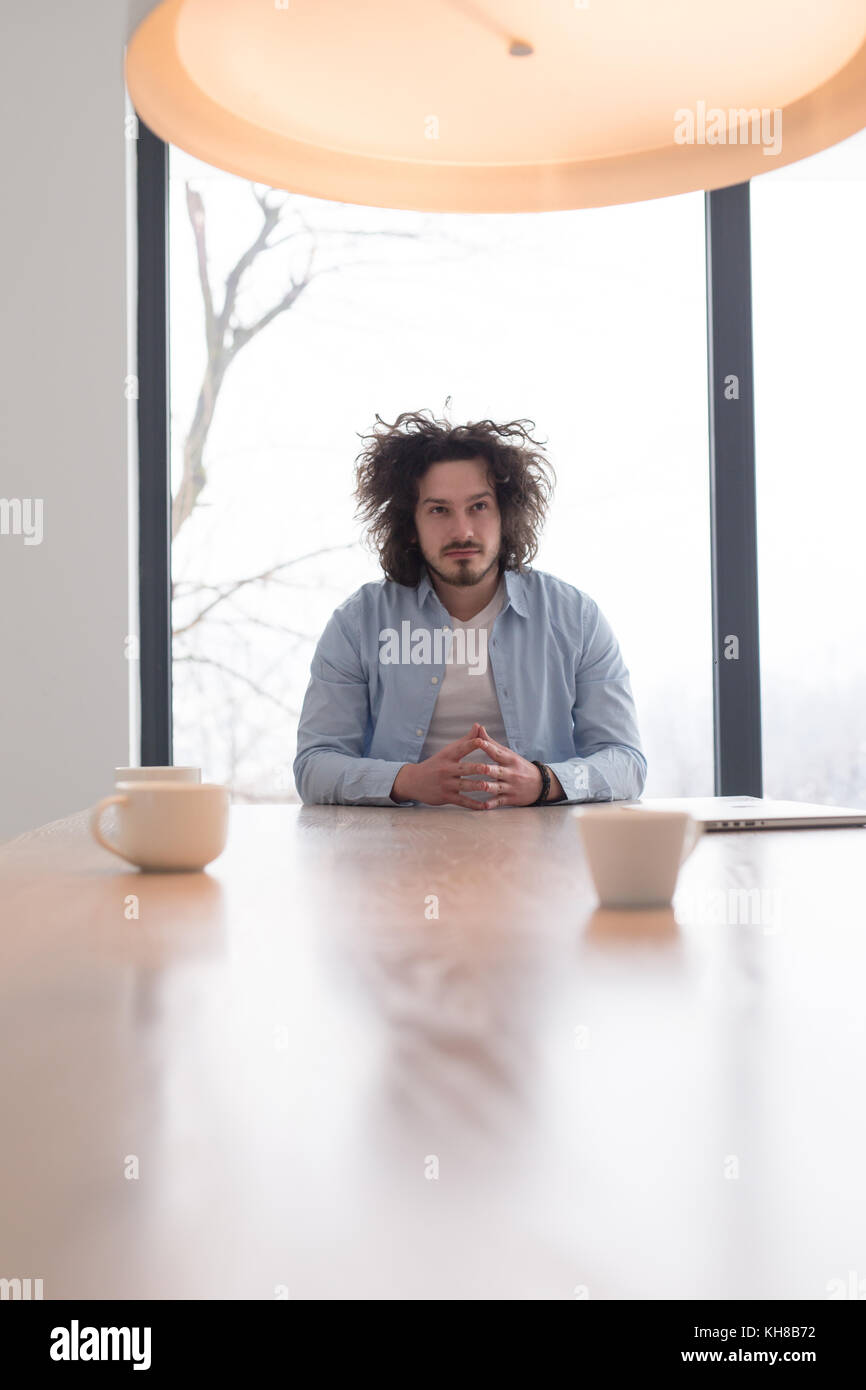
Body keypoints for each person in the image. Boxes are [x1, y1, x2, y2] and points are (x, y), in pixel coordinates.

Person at [293, 409, 646, 809]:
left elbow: (627, 762)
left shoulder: (575, 618)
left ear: (504, 515)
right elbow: (314, 766)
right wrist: (406, 780)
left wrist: (545, 782)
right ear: (411, 525)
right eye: (439, 510)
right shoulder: (357, 624)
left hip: (540, 854)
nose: (462, 531)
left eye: (478, 506)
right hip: (396, 854)